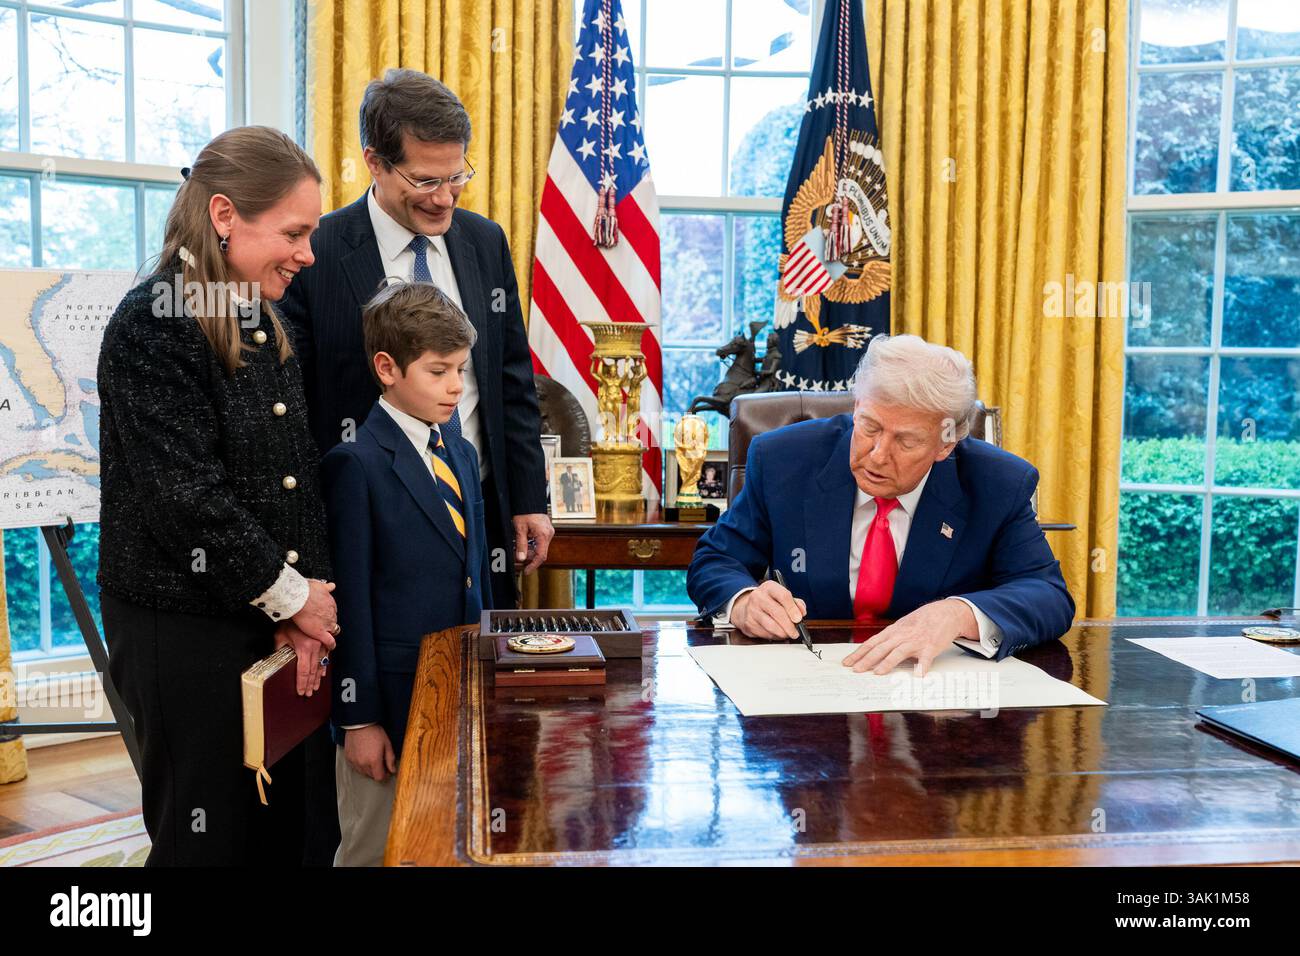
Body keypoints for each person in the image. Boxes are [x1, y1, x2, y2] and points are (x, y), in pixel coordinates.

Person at [97, 126, 339, 865]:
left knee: (296, 833)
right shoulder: (151, 324)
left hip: (268, 617)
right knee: (209, 840)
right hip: (184, 629)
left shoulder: (257, 312)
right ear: (226, 215)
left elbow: (293, 479)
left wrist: (297, 610)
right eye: (293, 233)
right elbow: (184, 499)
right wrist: (291, 596)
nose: (308, 254)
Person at [278, 67, 552, 610]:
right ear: (375, 162)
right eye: (425, 181)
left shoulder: (485, 241)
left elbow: (511, 380)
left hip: (478, 520)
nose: (444, 198)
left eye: (456, 177)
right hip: (367, 530)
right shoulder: (318, 251)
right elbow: (295, 407)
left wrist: (527, 498)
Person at [686, 334, 1075, 677]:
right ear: (856, 406)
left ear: (946, 445)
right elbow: (716, 560)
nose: (876, 455)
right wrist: (744, 602)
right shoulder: (784, 459)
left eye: (905, 442)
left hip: (934, 705)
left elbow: (1048, 595)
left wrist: (957, 614)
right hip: (809, 693)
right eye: (869, 427)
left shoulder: (998, 483)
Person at [322, 280, 492, 867]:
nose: (454, 387)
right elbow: (352, 604)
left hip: (459, 692)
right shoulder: (355, 465)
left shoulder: (461, 452)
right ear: (387, 367)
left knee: (446, 838)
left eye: (461, 371)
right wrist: (359, 718)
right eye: (438, 371)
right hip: (389, 702)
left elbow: (475, 576)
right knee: (376, 845)